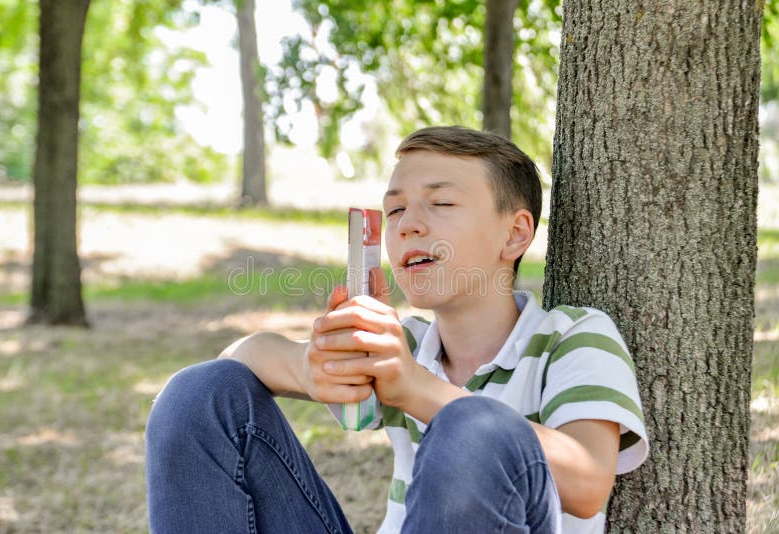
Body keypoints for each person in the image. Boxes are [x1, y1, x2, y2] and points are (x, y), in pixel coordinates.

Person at [145, 126, 649, 534]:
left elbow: (588, 484)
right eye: (395, 209)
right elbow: (238, 358)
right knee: (196, 392)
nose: (408, 224)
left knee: (474, 430)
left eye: (442, 203)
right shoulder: (405, 346)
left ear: (515, 233)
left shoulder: (574, 337)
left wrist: (416, 388)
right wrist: (305, 365)